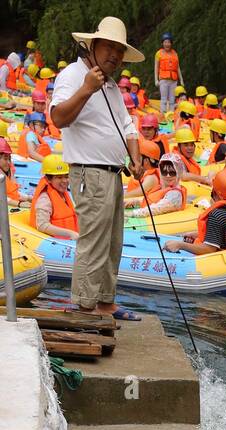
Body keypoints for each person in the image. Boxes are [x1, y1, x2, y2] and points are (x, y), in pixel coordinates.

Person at [50, 16, 144, 318]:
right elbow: (58, 118)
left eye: (119, 49)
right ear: (93, 45)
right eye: (109, 47)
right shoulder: (74, 75)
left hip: (114, 173)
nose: (114, 55)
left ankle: (105, 303)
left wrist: (136, 157)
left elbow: (127, 125)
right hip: (90, 172)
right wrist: (86, 89)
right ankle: (85, 306)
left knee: (113, 242)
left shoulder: (112, 85)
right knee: (93, 242)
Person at [164, 166, 226, 255]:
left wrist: (180, 245)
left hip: (218, 259)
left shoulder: (217, 216)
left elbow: (209, 249)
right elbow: (223, 233)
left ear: (216, 192)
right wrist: (198, 234)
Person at [28, 154, 79, 239]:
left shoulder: (63, 193)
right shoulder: (44, 198)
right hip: (57, 242)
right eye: (59, 177)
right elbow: (42, 225)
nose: (65, 181)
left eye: (66, 176)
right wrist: (70, 233)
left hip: (70, 239)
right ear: (48, 179)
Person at [154, 31, 182, 116]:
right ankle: (163, 114)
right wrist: (156, 79)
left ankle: (171, 115)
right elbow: (156, 67)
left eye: (169, 42)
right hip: (163, 79)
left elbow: (177, 67)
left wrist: (181, 79)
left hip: (173, 80)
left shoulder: (174, 53)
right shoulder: (159, 53)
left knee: (172, 99)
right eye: (165, 42)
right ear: (162, 43)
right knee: (163, 99)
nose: (167, 44)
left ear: (171, 43)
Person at [0, 138, 22, 206]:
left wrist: (29, 198)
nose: (9, 162)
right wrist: (19, 204)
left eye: (9, 158)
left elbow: (14, 193)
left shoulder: (7, 169)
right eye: (5, 159)